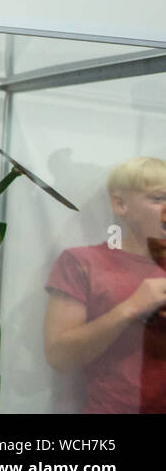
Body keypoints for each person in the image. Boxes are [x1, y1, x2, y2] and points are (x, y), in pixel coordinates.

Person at [44, 156, 166, 413]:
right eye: (158, 198)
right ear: (120, 204)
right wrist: (132, 308)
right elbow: (60, 356)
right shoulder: (83, 263)